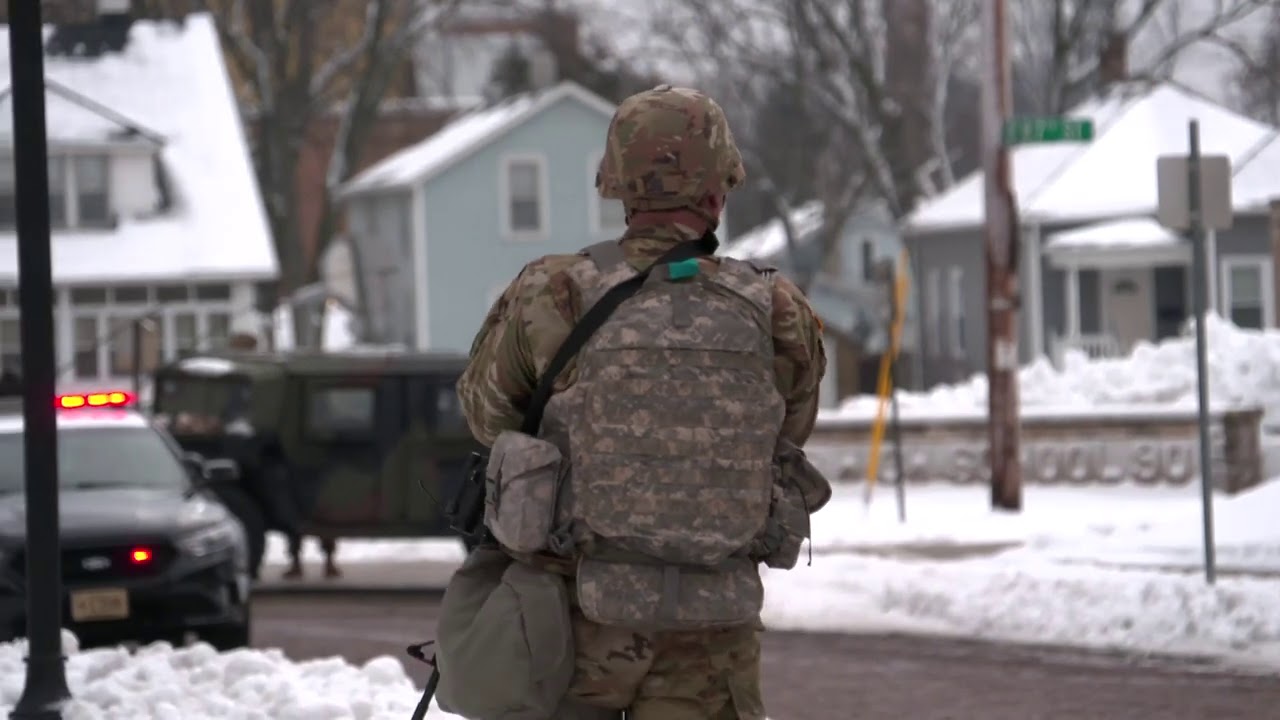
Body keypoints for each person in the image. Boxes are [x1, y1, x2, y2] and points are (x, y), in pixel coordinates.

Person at [451, 84, 829, 720]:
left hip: (573, 627)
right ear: (718, 190)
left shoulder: (552, 291)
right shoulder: (776, 307)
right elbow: (790, 428)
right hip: (714, 629)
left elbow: (488, 417)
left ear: (619, 186)